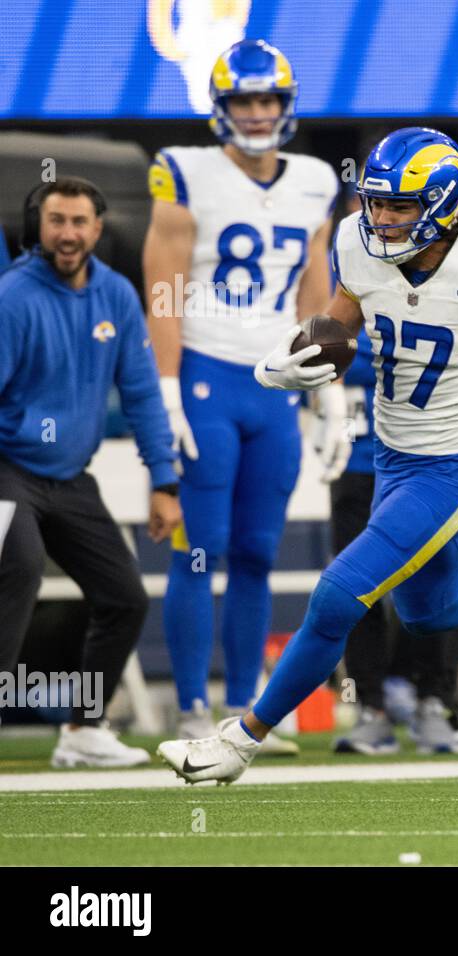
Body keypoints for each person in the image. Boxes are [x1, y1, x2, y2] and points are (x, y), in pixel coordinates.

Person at [157, 127, 458, 785]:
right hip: (394, 459)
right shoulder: (357, 246)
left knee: (337, 596)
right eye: (376, 203)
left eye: (400, 207)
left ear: (443, 205)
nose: (382, 219)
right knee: (433, 612)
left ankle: (239, 740)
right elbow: (341, 323)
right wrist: (303, 356)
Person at [142, 39, 343, 753]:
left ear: (286, 106)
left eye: (268, 100)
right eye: (243, 101)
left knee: (259, 551)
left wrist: (330, 393)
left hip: (275, 383)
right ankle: (193, 706)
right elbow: (162, 286)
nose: (257, 114)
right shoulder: (184, 171)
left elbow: (315, 293)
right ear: (221, 107)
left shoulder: (317, 180)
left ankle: (243, 710)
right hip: (204, 373)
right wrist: (164, 390)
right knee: (200, 550)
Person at [0, 177, 181, 767]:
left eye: (80, 222)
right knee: (18, 567)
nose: (69, 233)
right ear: (39, 227)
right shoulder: (12, 298)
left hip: (71, 477)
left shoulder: (118, 296)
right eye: (57, 221)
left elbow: (142, 394)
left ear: (99, 229)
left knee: (125, 596)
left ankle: (83, 729)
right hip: (8, 469)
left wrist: (164, 480)